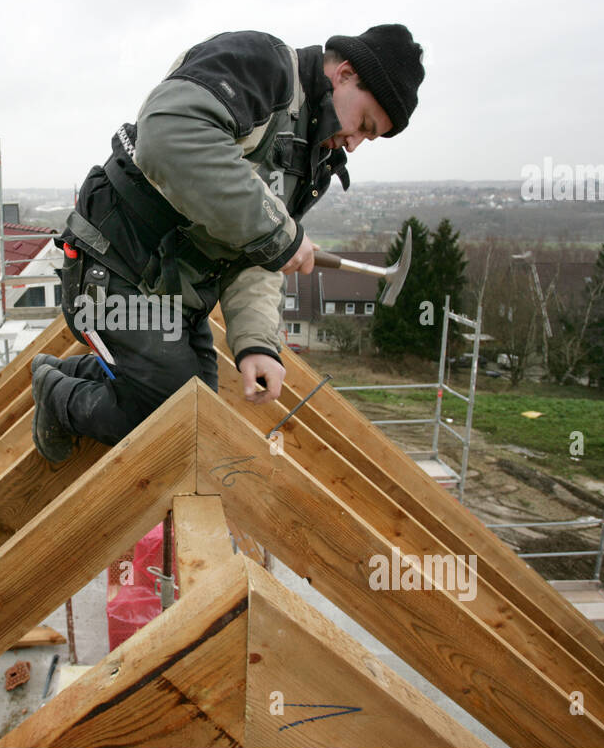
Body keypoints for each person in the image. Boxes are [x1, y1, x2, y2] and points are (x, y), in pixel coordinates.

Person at [32, 25, 425, 462]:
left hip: (175, 297)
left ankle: (64, 371)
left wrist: (257, 343)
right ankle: (55, 396)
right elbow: (166, 140)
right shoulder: (262, 68)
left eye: (369, 138)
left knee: (197, 407)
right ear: (346, 74)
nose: (354, 142)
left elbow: (259, 256)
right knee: (169, 410)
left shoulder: (309, 163)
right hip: (112, 270)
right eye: (364, 124)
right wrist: (278, 229)